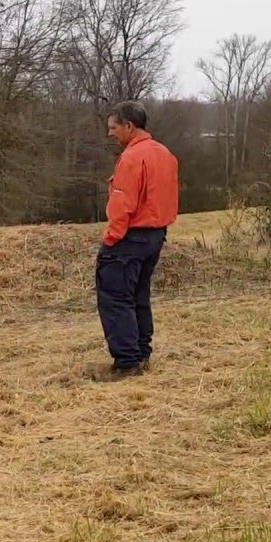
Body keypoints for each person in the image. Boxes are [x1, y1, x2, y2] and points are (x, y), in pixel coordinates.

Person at [94, 100, 179, 380]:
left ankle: (127, 363)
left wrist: (111, 239)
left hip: (130, 237)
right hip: (156, 235)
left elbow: (122, 204)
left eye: (114, 127)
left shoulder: (132, 158)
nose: (110, 133)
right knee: (138, 296)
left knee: (116, 298)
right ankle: (142, 353)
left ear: (129, 126)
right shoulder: (164, 153)